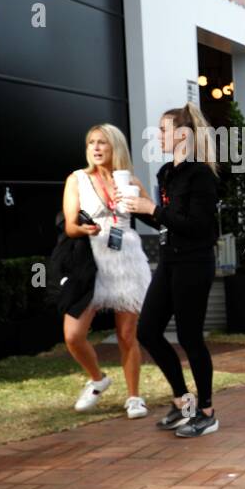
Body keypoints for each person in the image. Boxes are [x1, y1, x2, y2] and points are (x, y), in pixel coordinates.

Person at [124, 104, 221, 438]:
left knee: (189, 337)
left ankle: (207, 411)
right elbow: (166, 222)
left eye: (163, 130)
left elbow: (198, 226)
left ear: (183, 135)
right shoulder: (167, 172)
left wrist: (154, 208)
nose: (159, 136)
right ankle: (184, 402)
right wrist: (139, 206)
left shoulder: (202, 176)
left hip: (195, 262)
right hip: (169, 262)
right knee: (148, 330)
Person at [60, 124, 153, 417]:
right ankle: (98, 379)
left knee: (127, 335)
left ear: (116, 148)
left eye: (103, 143)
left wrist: (136, 199)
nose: (96, 148)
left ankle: (135, 397)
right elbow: (69, 225)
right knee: (73, 334)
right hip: (91, 262)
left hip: (127, 260)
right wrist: (82, 228)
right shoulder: (77, 179)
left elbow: (153, 213)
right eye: (91, 143)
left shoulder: (130, 180)